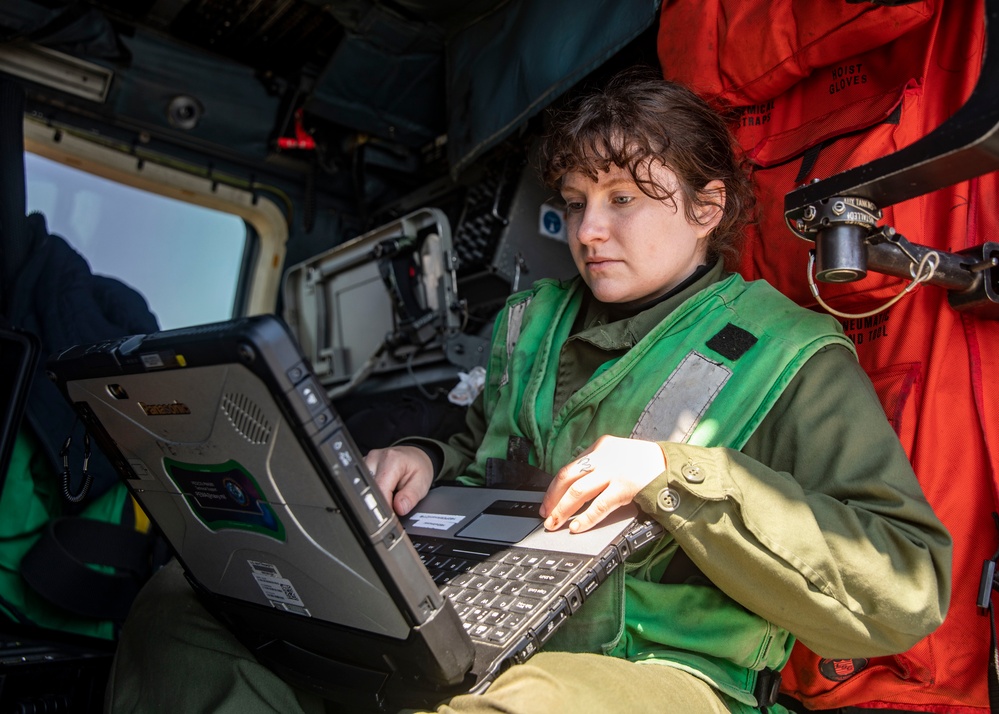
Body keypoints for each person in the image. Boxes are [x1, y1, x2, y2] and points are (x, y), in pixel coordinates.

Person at [106, 67, 951, 714]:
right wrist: (422, 458)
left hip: (663, 667)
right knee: (185, 601)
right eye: (576, 200)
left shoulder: (790, 354)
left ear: (707, 207)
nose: (587, 230)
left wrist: (678, 476)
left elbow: (907, 587)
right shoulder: (529, 321)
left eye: (624, 199)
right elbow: (486, 449)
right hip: (477, 615)